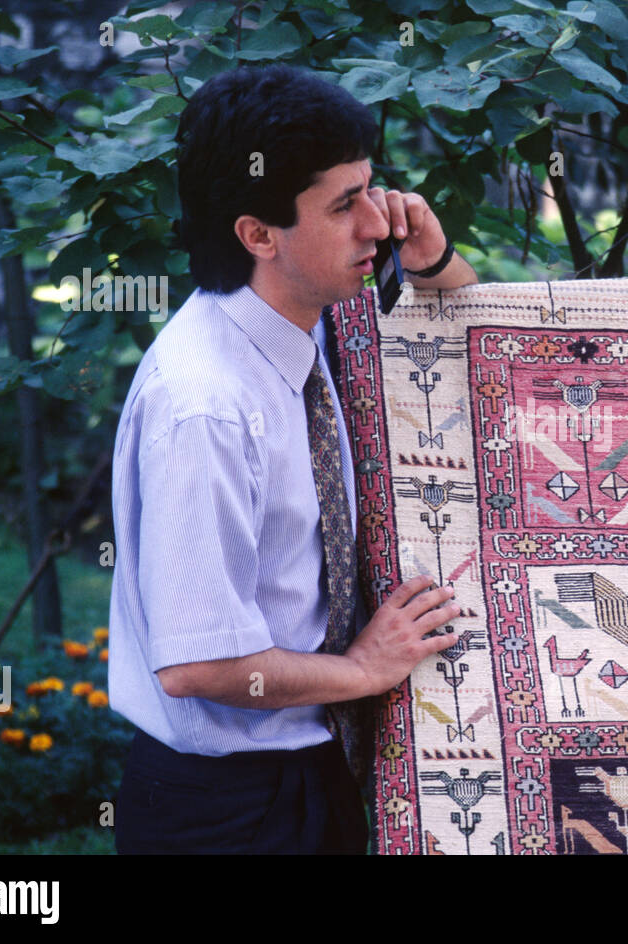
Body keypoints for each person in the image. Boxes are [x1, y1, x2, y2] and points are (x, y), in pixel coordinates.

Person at [107, 64, 478, 853]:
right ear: (259, 234)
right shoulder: (204, 406)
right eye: (345, 206)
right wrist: (365, 669)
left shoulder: (315, 321)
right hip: (226, 811)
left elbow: (469, 358)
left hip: (315, 771)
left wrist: (437, 265)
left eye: (373, 190)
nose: (376, 226)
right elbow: (200, 665)